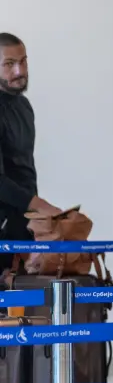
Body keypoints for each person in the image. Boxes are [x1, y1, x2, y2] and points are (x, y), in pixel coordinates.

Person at [0, 33, 56, 241]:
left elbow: (23, 171)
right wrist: (43, 206)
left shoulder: (23, 106)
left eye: (23, 61)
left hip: (24, 224)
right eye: (9, 64)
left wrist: (38, 216)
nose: (20, 71)